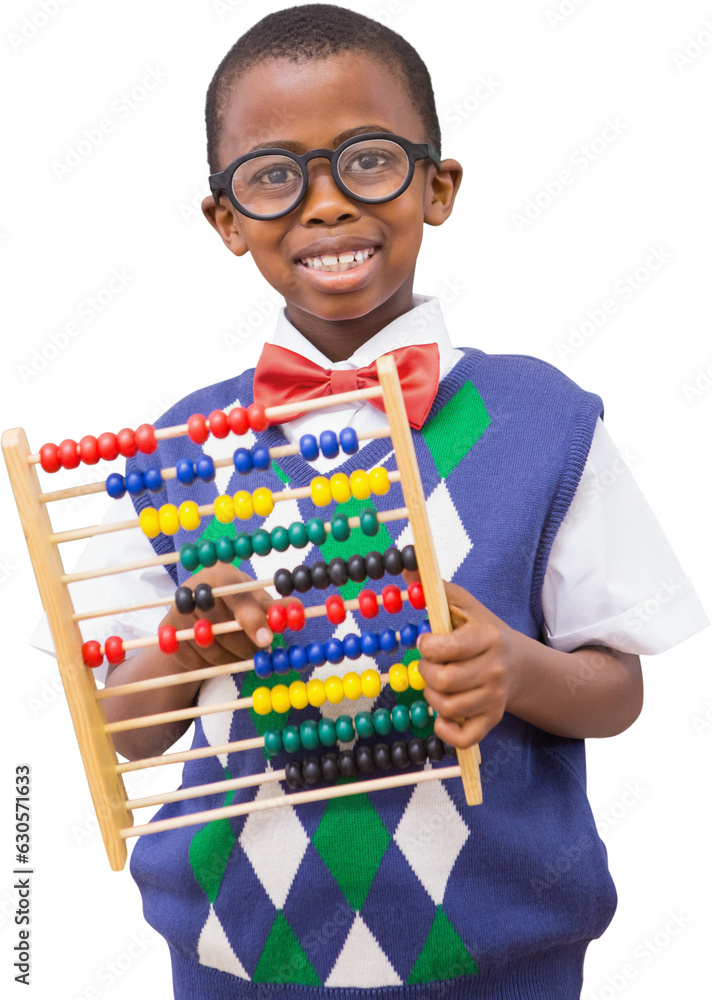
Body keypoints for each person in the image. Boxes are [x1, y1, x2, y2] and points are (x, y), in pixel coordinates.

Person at [31, 5, 708, 998]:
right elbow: (127, 731)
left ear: (436, 187)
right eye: (274, 175)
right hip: (234, 950)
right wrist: (186, 645)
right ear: (226, 219)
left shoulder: (541, 422)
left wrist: (513, 670)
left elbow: (617, 690)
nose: (328, 203)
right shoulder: (174, 453)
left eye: (368, 160)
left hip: (496, 951)